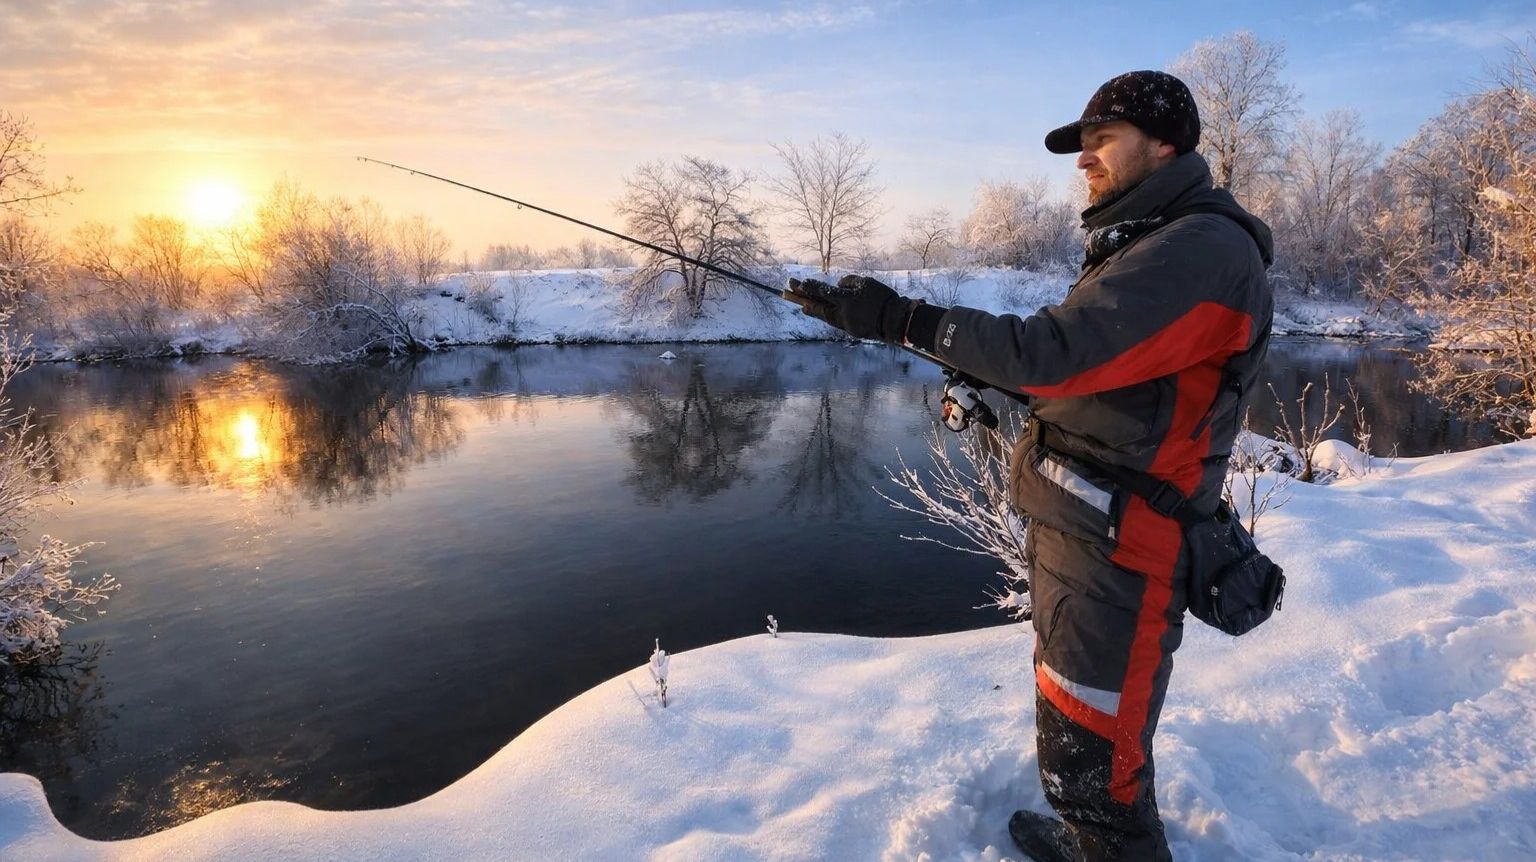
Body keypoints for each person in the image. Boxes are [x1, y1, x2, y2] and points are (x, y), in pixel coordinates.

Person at [786, 70, 1274, 861]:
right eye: (1079, 147)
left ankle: (1106, 842)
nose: (1084, 160)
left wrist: (904, 319)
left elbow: (1056, 355)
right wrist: (999, 373)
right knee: (1073, 729)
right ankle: (1089, 839)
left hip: (1126, 551)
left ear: (1166, 145)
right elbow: (1107, 383)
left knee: (1098, 763)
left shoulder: (1202, 249)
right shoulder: (1152, 241)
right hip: (1084, 532)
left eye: (1102, 141)